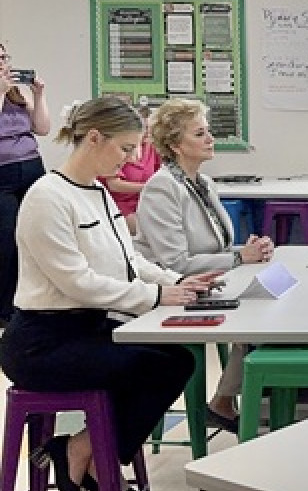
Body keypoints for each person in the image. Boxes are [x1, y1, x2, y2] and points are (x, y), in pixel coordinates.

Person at [0, 97, 219, 491]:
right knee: (156, 367)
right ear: (94, 139)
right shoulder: (46, 197)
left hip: (91, 328)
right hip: (42, 344)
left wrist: (177, 284)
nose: (132, 158)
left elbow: (129, 259)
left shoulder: (98, 193)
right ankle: (88, 457)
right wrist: (154, 296)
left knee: (177, 360)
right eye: (125, 148)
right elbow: (77, 282)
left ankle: (83, 451)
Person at [134, 98, 274, 433]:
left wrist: (248, 249)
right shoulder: (161, 188)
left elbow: (217, 247)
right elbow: (176, 262)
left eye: (207, 131)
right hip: (171, 292)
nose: (210, 138)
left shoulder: (203, 183)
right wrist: (240, 258)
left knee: (268, 310)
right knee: (258, 318)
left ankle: (226, 402)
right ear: (175, 145)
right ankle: (229, 403)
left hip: (206, 283)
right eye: (200, 133)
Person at [0, 42, 51, 326]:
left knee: (37, 232)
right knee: (7, 238)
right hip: (2, 174)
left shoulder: (17, 93)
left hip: (31, 166)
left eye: (4, 57)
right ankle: (6, 310)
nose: (3, 63)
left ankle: (35, 299)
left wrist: (39, 94)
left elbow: (42, 128)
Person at [98, 106, 160, 235]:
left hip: (145, 201)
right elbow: (114, 185)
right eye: (145, 128)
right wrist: (147, 187)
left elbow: (160, 175)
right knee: (146, 232)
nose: (148, 132)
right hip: (120, 203)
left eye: (151, 128)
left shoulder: (151, 148)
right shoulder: (119, 148)